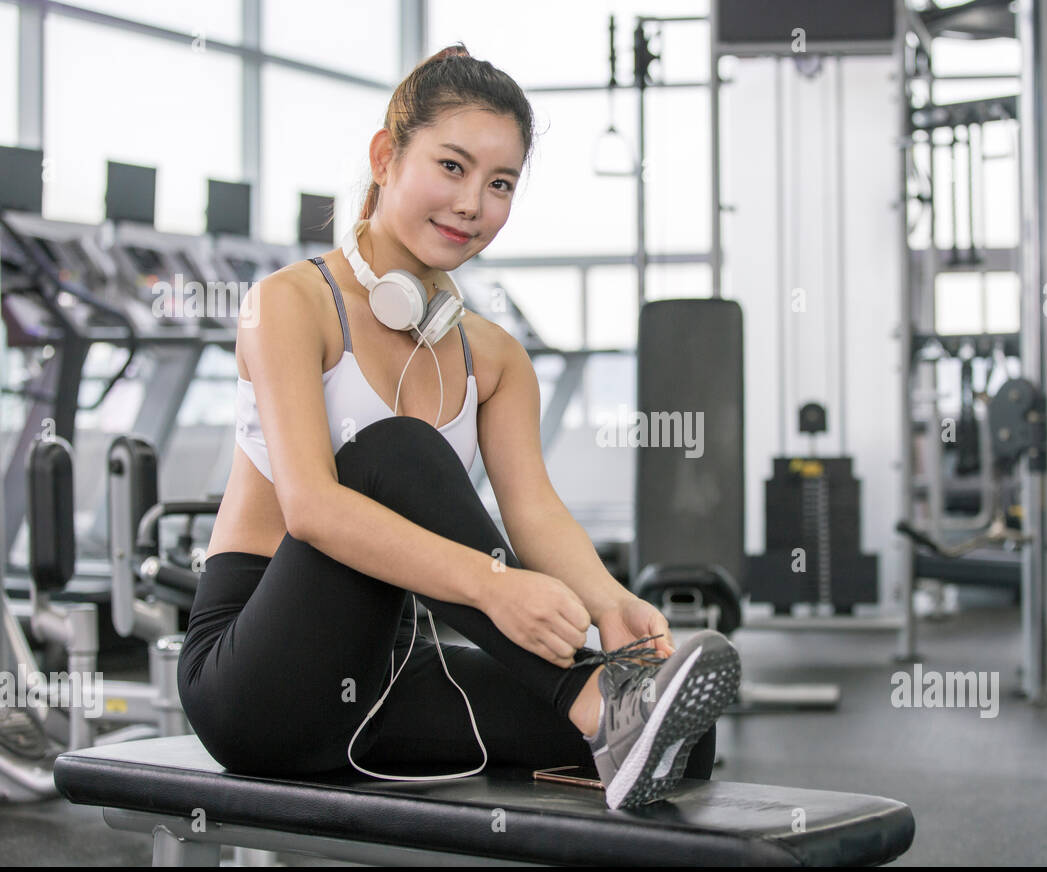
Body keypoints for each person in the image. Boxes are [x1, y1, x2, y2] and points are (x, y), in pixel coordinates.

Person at [179, 44, 741, 810]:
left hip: (381, 679)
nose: (474, 203)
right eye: (451, 166)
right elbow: (311, 505)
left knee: (688, 743)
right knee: (395, 450)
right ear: (386, 157)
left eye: (500, 183)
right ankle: (596, 700)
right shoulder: (291, 302)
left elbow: (533, 512)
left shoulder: (495, 357)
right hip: (254, 680)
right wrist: (492, 585)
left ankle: (611, 709)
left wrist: (610, 604)